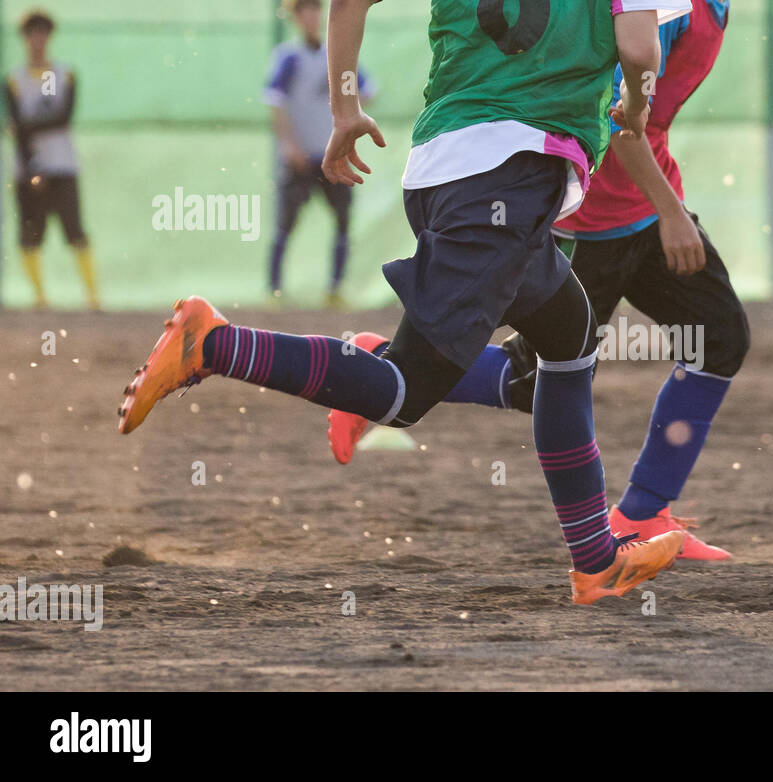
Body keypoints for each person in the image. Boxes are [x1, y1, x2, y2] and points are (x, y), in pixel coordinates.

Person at [118, 0, 692, 606]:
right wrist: (638, 100)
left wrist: (345, 108)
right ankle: (212, 344)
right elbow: (638, 49)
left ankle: (596, 562)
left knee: (569, 337)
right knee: (401, 394)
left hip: (446, 168)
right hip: (511, 177)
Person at [326, 0, 745, 561]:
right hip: (597, 217)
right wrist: (673, 215)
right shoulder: (671, 12)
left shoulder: (712, 10)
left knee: (719, 339)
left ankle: (642, 513)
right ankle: (378, 371)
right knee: (535, 378)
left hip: (638, 211)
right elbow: (620, 117)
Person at [264, 0, 375, 307]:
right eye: (304, 10)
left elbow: (368, 90)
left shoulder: (336, 56)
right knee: (284, 225)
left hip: (334, 158)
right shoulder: (288, 58)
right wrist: (289, 147)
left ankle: (335, 289)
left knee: (342, 223)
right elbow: (275, 103)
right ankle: (274, 290)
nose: (311, 16)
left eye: (315, 8)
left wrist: (351, 114)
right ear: (295, 17)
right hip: (299, 160)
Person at [5, 8, 99, 309]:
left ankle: (92, 296)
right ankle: (40, 298)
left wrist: (25, 126)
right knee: (31, 233)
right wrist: (32, 165)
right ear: (25, 38)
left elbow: (63, 117)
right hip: (29, 167)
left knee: (75, 229)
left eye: (43, 32)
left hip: (62, 164)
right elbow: (18, 128)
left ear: (49, 36)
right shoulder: (14, 80)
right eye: (32, 33)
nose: (38, 39)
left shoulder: (64, 74)